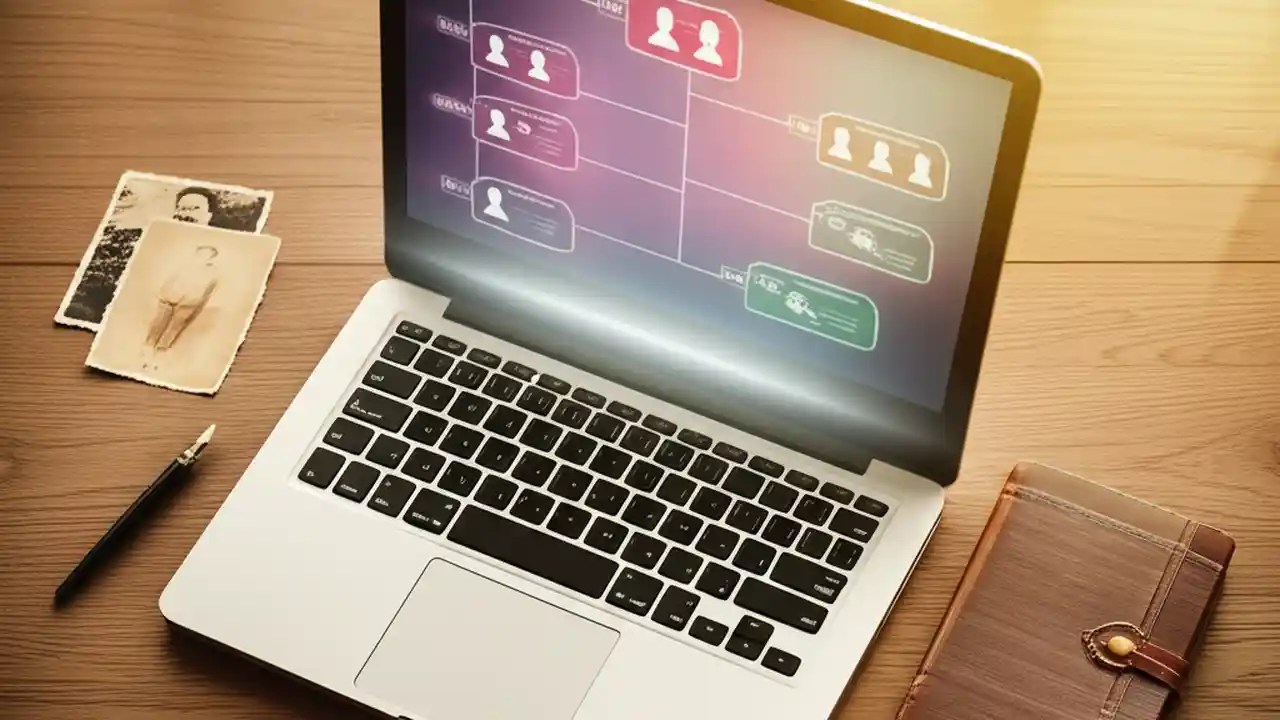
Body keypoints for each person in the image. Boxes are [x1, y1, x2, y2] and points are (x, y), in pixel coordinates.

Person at [142, 245, 220, 369]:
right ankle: (148, 350)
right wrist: (163, 294)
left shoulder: (212, 274)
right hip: (168, 298)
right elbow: (169, 280)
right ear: (196, 254)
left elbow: (207, 293)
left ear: (211, 258)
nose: (203, 257)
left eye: (208, 255)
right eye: (201, 254)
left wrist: (197, 305)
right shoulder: (183, 266)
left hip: (189, 303)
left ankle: (161, 352)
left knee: (175, 327)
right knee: (158, 323)